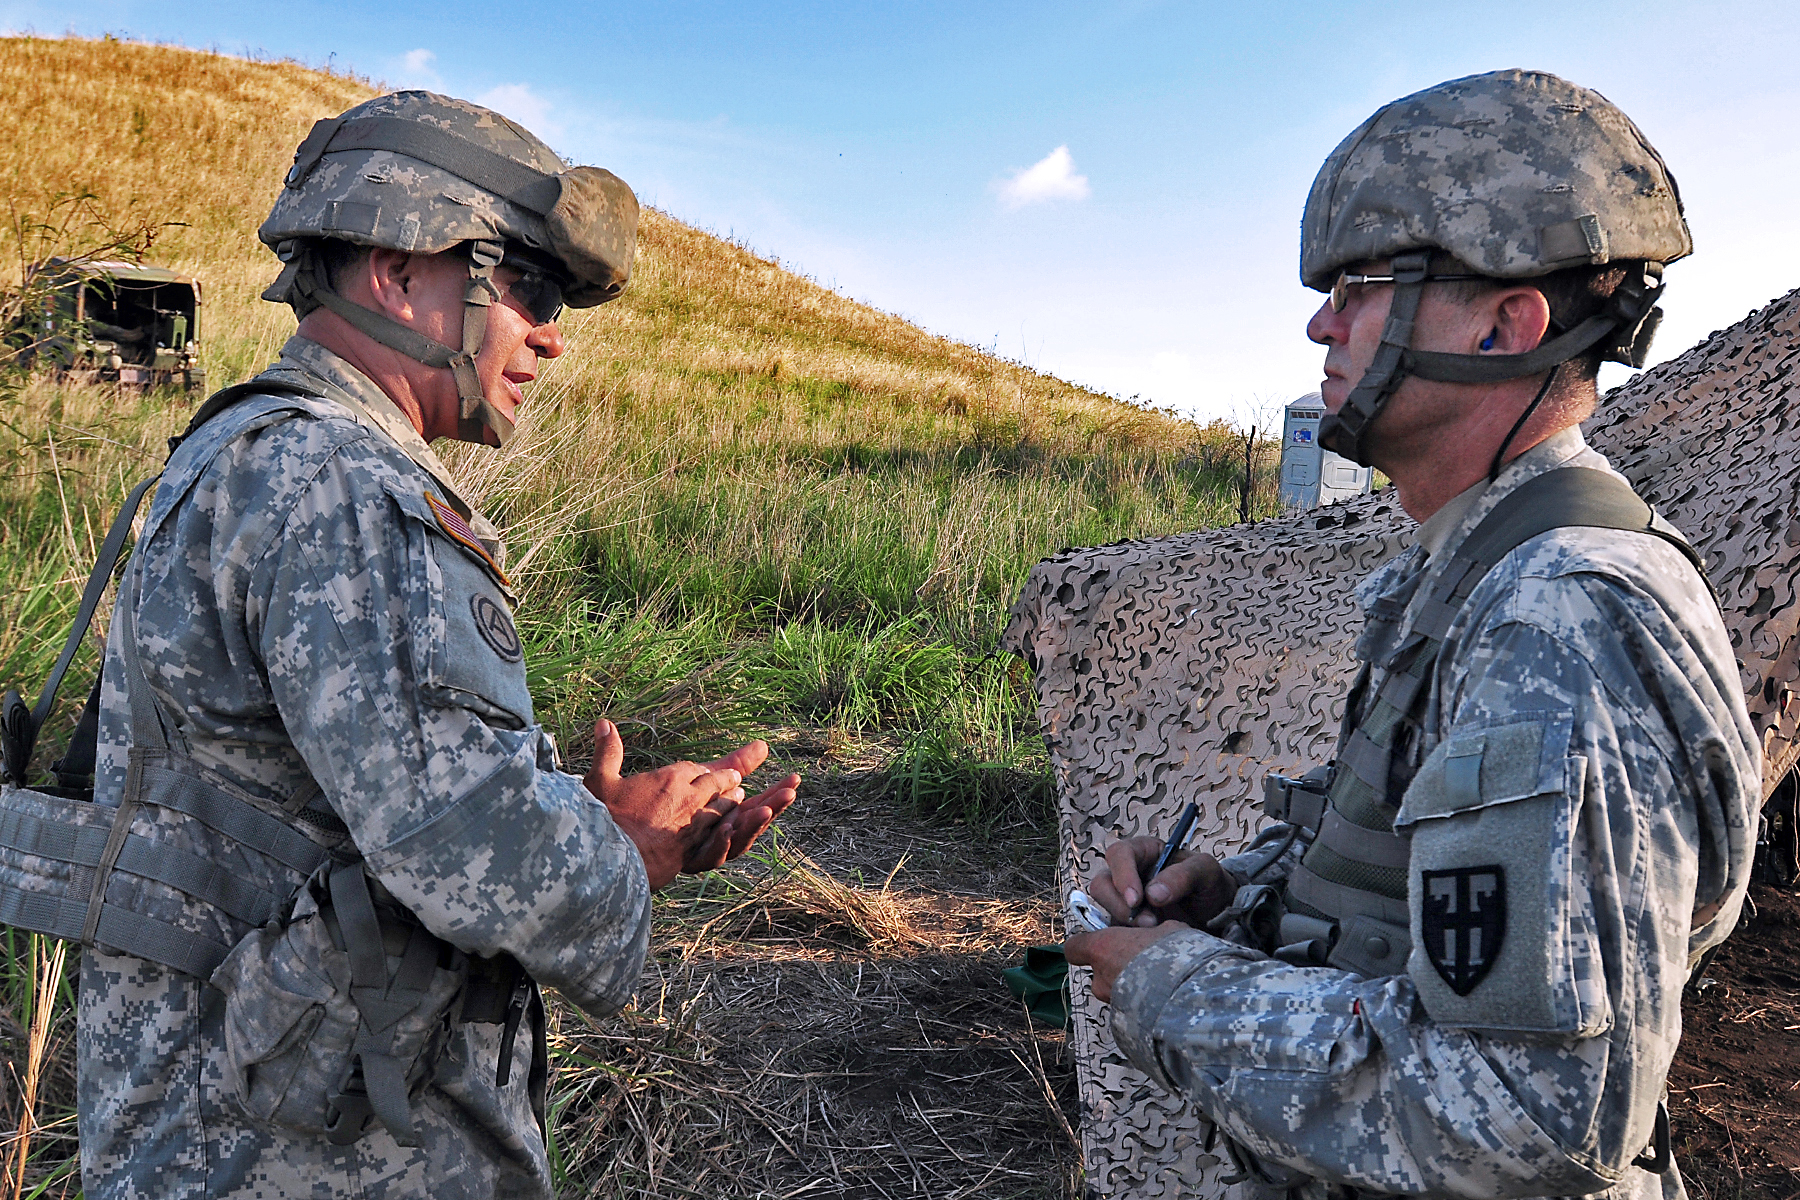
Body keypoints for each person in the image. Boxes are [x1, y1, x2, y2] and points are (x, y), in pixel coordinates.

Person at [75, 91, 799, 1199]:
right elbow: (477, 855)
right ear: (397, 266)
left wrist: (584, 814)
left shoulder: (242, 451)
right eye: (530, 284)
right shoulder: (344, 485)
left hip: (219, 1128)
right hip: (305, 1157)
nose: (552, 333)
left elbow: (335, 803)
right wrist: (631, 852)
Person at [1065, 69, 1758, 1199]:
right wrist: (1233, 900)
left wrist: (1174, 984)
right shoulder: (1476, 574)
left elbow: (1536, 1116)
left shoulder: (1565, 611)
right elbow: (1430, 904)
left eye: (1359, 284)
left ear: (1505, 324)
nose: (1319, 321)